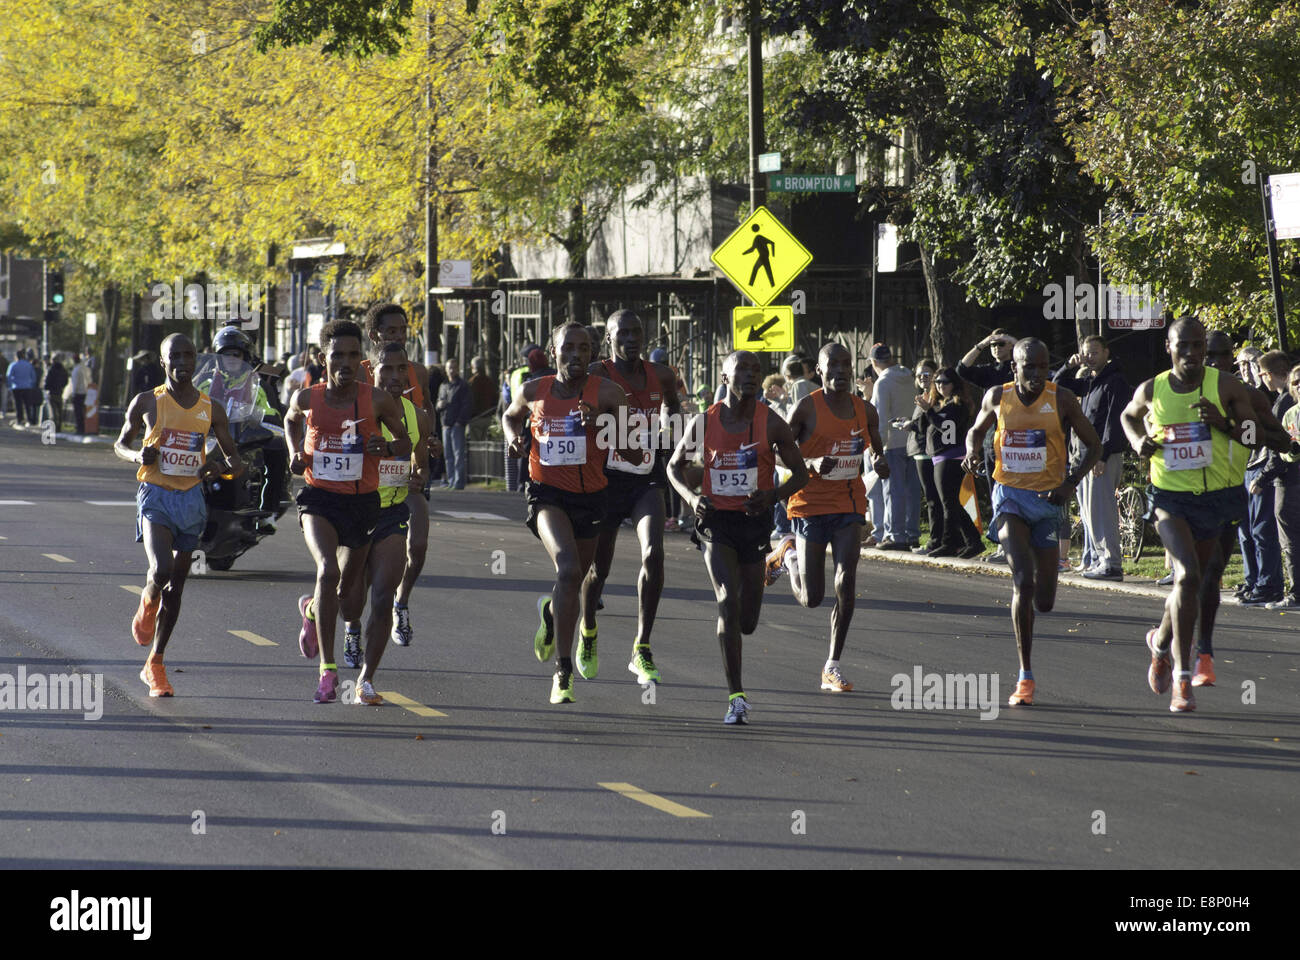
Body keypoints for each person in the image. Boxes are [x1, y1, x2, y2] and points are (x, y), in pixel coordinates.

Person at [1121, 320, 1289, 710]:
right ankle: (1184, 680)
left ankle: (1160, 643)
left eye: (1200, 347)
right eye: (1186, 346)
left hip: (1217, 497)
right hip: (1170, 497)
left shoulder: (1228, 387)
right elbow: (1129, 417)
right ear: (1169, 346)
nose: (1194, 354)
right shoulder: (1153, 387)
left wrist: (1222, 424)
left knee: (1195, 581)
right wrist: (1137, 440)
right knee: (1189, 575)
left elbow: (1256, 437)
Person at [668, 350, 808, 723]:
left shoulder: (771, 423)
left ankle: (774, 561)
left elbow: (801, 474)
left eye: (756, 370)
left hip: (754, 523)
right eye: (742, 369)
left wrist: (773, 496)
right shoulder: (705, 421)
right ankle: (737, 698)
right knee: (727, 602)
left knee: (747, 621)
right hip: (716, 524)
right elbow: (673, 467)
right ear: (725, 377)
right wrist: (692, 497)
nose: (750, 375)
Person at [502, 322, 635, 704]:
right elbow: (511, 417)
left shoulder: (609, 393)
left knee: (574, 581)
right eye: (567, 348)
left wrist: (604, 427)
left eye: (583, 348)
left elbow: (629, 452)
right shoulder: (534, 390)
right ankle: (563, 672)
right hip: (547, 494)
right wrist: (514, 439)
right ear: (554, 351)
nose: (575, 355)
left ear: (592, 353)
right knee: (569, 569)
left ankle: (551, 615)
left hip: (593, 495)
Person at [965, 338, 1101, 706]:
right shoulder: (997, 396)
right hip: (1009, 497)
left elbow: (1094, 444)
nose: (1037, 375)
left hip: (1049, 501)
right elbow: (976, 430)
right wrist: (972, 451)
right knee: (1022, 582)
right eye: (1030, 367)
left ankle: (1036, 614)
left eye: (1043, 367)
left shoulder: (1063, 399)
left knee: (1045, 602)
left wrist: (1070, 483)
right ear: (1015, 367)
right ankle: (1025, 675)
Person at [286, 320, 412, 703]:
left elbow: (404, 442)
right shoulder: (308, 398)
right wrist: (295, 452)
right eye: (337, 355)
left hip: (362, 503)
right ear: (323, 358)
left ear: (362, 359)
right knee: (327, 568)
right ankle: (328, 671)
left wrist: (385, 449)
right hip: (319, 498)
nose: (346, 362)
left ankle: (311, 611)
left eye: (353, 355)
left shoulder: (376, 400)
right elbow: (290, 421)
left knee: (350, 602)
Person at [114, 334, 243, 696]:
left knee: (178, 586)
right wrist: (137, 457)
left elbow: (236, 461)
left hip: (191, 501)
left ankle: (155, 663)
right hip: (156, 495)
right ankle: (147, 600)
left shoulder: (211, 408)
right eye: (176, 356)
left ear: (196, 361)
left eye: (189, 355)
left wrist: (219, 468)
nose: (183, 362)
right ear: (163, 362)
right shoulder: (146, 402)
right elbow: (121, 444)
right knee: (162, 570)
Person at [765, 343, 882, 692]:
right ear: (819, 370)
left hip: (848, 504)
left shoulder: (866, 410)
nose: (841, 371)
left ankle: (832, 665)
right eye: (834, 366)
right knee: (812, 598)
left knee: (846, 581)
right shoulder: (806, 407)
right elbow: (778, 452)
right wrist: (810, 464)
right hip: (810, 505)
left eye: (847, 365)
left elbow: (875, 444)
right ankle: (787, 554)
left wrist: (881, 459)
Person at [578, 309, 683, 686]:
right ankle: (588, 629)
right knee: (598, 569)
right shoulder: (598, 374)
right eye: (623, 333)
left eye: (637, 332)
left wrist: (670, 435)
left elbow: (673, 405)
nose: (631, 339)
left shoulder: (662, 374)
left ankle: (641, 646)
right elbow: (579, 412)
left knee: (654, 552)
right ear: (609, 339)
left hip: (645, 478)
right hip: (605, 479)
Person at [339, 341, 429, 702]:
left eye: (400, 370)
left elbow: (420, 466)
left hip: (392, 512)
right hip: (354, 509)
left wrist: (417, 477)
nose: (394, 377)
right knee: (349, 591)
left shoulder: (417, 417)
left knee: (382, 595)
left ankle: (366, 681)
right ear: (371, 370)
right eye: (385, 369)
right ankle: (344, 623)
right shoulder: (352, 409)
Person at [360, 303, 441, 645]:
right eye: (391, 331)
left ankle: (401, 602)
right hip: (368, 479)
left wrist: (430, 439)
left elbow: (426, 409)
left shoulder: (417, 371)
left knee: (418, 544)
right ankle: (346, 619)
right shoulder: (360, 370)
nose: (398, 336)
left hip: (406, 473)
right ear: (374, 335)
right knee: (360, 564)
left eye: (403, 330)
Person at [1052, 335, 1132, 580]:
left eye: (1094, 352)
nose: (1089, 357)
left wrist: (1103, 456)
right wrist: (1069, 366)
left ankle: (1111, 563)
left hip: (1102, 457)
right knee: (1087, 512)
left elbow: (1113, 423)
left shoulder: (1115, 381)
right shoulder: (1088, 381)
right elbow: (1056, 386)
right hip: (1083, 456)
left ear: (1106, 352)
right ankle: (1099, 559)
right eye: (1086, 353)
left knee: (1101, 510)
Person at [1235, 348, 1288, 605]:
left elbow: (1265, 436)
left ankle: (1269, 583)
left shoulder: (1265, 395)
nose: (1245, 368)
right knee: (1246, 531)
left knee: (1262, 530)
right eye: (1241, 364)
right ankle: (1253, 579)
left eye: (1250, 363)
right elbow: (1245, 435)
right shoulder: (1239, 392)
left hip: (1262, 464)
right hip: (1245, 465)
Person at [918, 368, 983, 557]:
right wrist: (925, 411)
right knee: (951, 503)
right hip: (940, 458)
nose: (940, 385)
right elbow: (924, 427)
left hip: (951, 458)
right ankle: (971, 541)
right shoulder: (940, 404)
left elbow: (947, 428)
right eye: (937, 382)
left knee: (949, 503)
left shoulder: (957, 404)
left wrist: (929, 411)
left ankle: (951, 542)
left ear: (954, 384)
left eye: (945, 382)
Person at [870, 344, 919, 549]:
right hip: (913, 441)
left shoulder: (883, 383)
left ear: (874, 363)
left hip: (892, 443)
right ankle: (912, 533)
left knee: (893, 491)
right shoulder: (910, 377)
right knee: (912, 491)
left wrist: (877, 448)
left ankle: (895, 535)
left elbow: (881, 417)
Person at [897, 360, 939, 552]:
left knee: (933, 499)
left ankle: (936, 540)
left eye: (927, 374)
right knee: (932, 498)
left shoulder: (933, 398)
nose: (922, 378)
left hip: (927, 452)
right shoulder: (923, 396)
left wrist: (910, 425)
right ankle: (939, 539)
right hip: (920, 451)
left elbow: (930, 424)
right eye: (919, 375)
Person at [437, 358, 471, 489]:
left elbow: (467, 405)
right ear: (446, 369)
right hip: (445, 424)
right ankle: (451, 481)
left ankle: (458, 483)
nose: (451, 370)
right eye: (449, 367)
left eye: (454, 367)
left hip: (457, 425)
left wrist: (460, 422)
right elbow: (438, 403)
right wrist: (439, 405)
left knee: (458, 455)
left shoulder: (463, 385)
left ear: (458, 369)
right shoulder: (443, 386)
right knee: (448, 456)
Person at [6, 350, 37, 425]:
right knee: (27, 404)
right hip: (27, 387)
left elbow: (9, 376)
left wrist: (10, 386)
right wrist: (32, 385)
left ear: (16, 356)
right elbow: (33, 376)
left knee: (18, 404)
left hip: (16, 388)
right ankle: (29, 420)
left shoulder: (13, 365)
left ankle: (20, 420)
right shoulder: (29, 365)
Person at [66, 352, 90, 435]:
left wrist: (73, 394)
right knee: (83, 412)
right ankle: (83, 428)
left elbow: (75, 383)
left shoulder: (76, 370)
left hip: (78, 393)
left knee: (78, 412)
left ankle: (80, 428)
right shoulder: (84, 368)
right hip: (85, 392)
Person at [44, 355, 68, 432]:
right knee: (59, 410)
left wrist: (47, 387)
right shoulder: (63, 370)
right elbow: (66, 381)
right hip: (60, 392)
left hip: (52, 392)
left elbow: (47, 382)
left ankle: (54, 427)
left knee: (53, 411)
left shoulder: (51, 370)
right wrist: (61, 386)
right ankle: (59, 427)